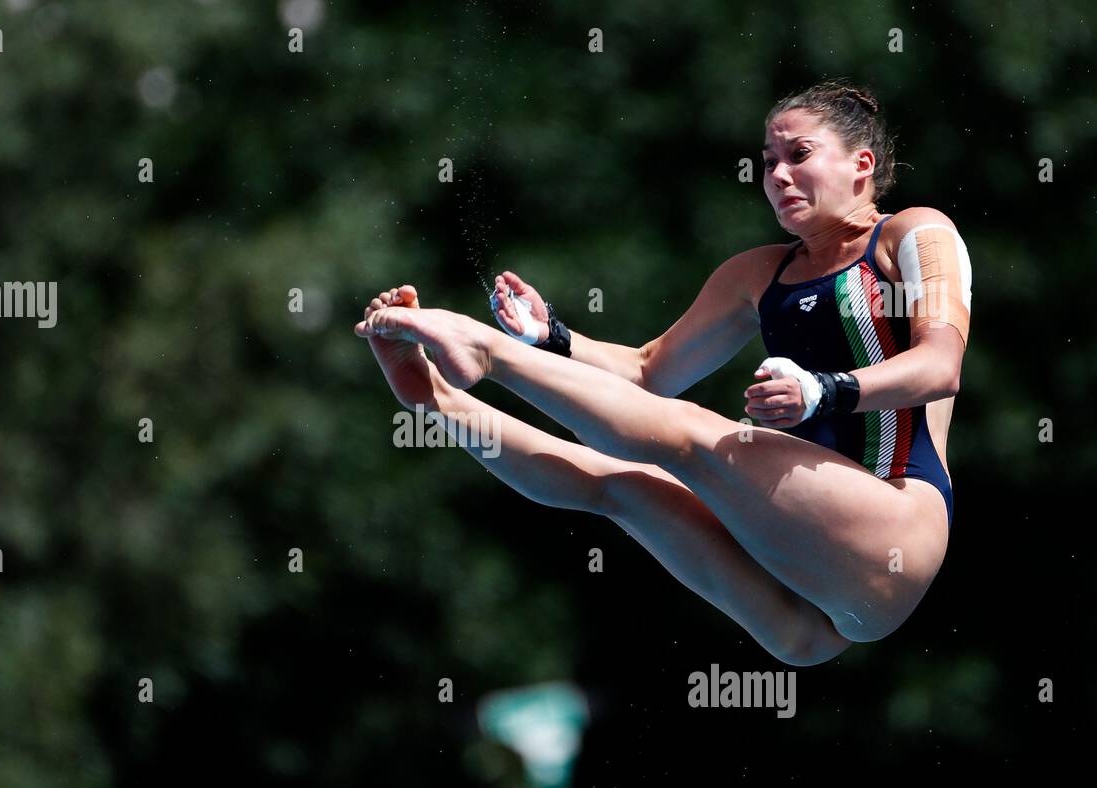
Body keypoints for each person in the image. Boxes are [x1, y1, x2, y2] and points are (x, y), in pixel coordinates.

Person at [354, 80, 971, 666]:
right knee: (621, 484)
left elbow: (940, 366)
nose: (777, 175)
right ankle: (436, 400)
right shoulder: (757, 274)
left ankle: (483, 352)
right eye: (767, 161)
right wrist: (551, 337)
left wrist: (823, 391)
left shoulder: (913, 235)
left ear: (861, 165)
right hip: (809, 622)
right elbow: (650, 373)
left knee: (695, 435)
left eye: (799, 154)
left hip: (894, 535)